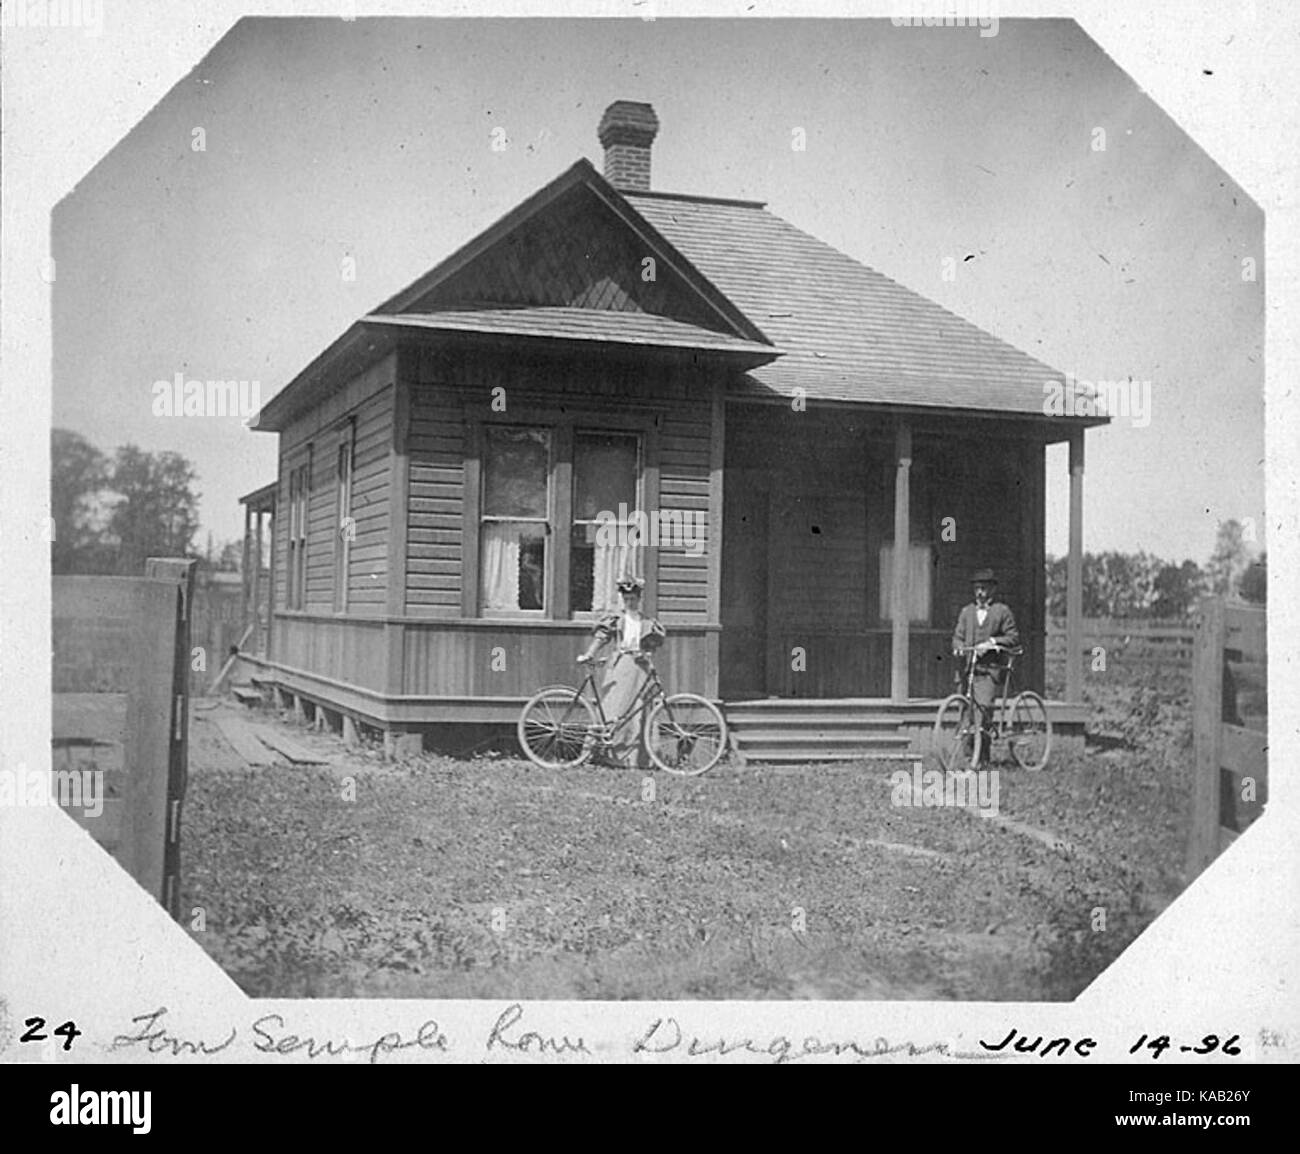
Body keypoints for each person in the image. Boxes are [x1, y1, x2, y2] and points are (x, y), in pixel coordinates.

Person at [577, 577, 665, 768]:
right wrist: (589, 654)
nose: (630, 602)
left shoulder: (647, 623)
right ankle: (601, 754)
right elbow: (602, 638)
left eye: (633, 598)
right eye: (626, 599)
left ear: (639, 599)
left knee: (637, 710)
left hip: (639, 668)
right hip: (620, 666)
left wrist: (646, 652)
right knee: (613, 708)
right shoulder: (616, 620)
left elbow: (652, 646)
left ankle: (635, 759)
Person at [951, 568, 1020, 765]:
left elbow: (1013, 638)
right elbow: (958, 637)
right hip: (968, 670)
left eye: (984, 589)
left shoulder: (1002, 611)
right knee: (965, 711)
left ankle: (982, 758)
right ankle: (967, 757)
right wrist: (958, 648)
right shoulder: (967, 612)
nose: (980, 593)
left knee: (982, 711)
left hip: (989, 670)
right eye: (977, 589)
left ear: (993, 590)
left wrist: (991, 642)